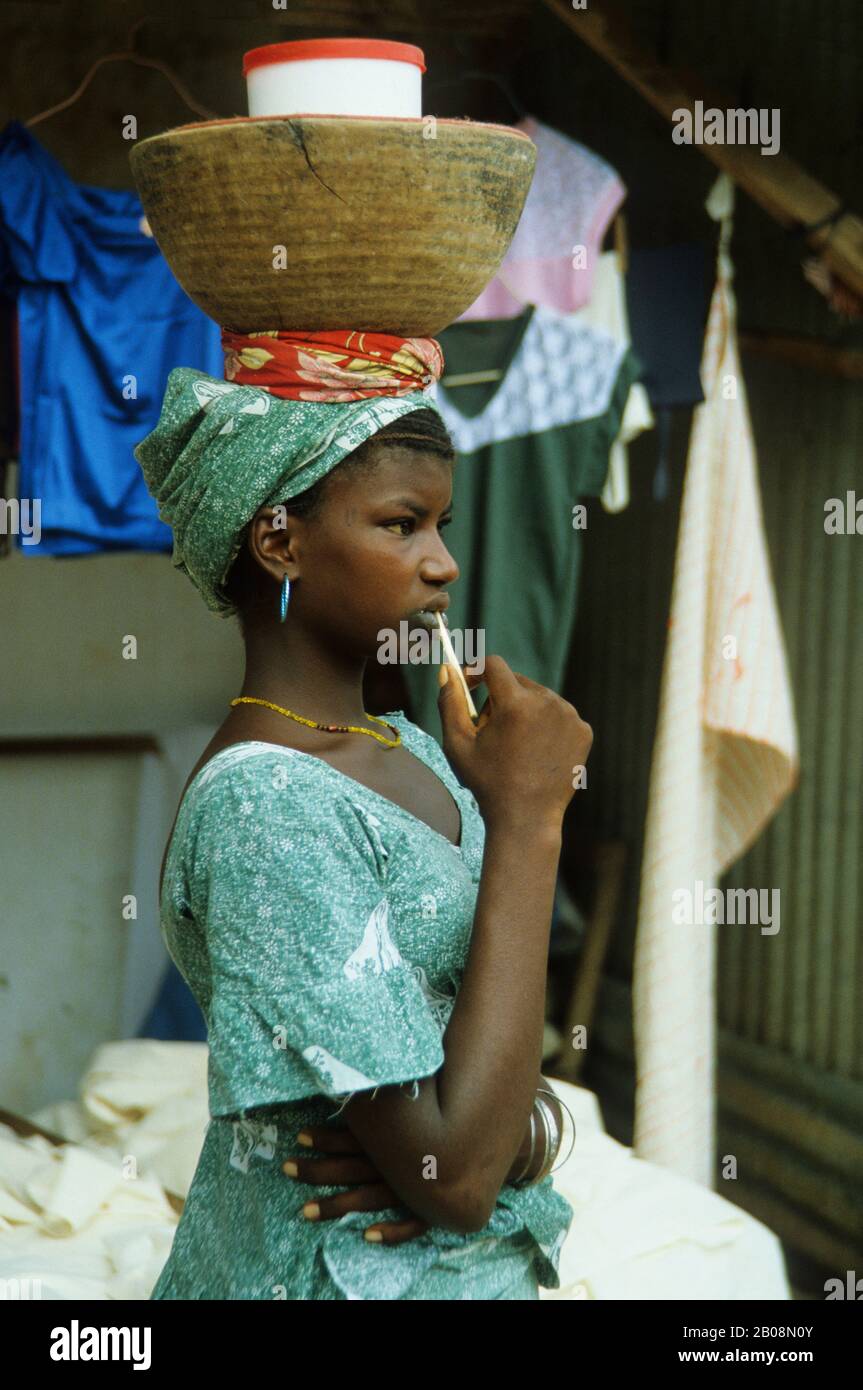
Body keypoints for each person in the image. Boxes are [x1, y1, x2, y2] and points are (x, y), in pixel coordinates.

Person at [134, 329, 593, 1300]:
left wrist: (510, 1132)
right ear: (279, 540)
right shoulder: (266, 805)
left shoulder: (409, 747)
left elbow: (473, 1111)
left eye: (443, 525)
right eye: (401, 524)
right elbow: (457, 1179)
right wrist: (528, 821)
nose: (443, 566)